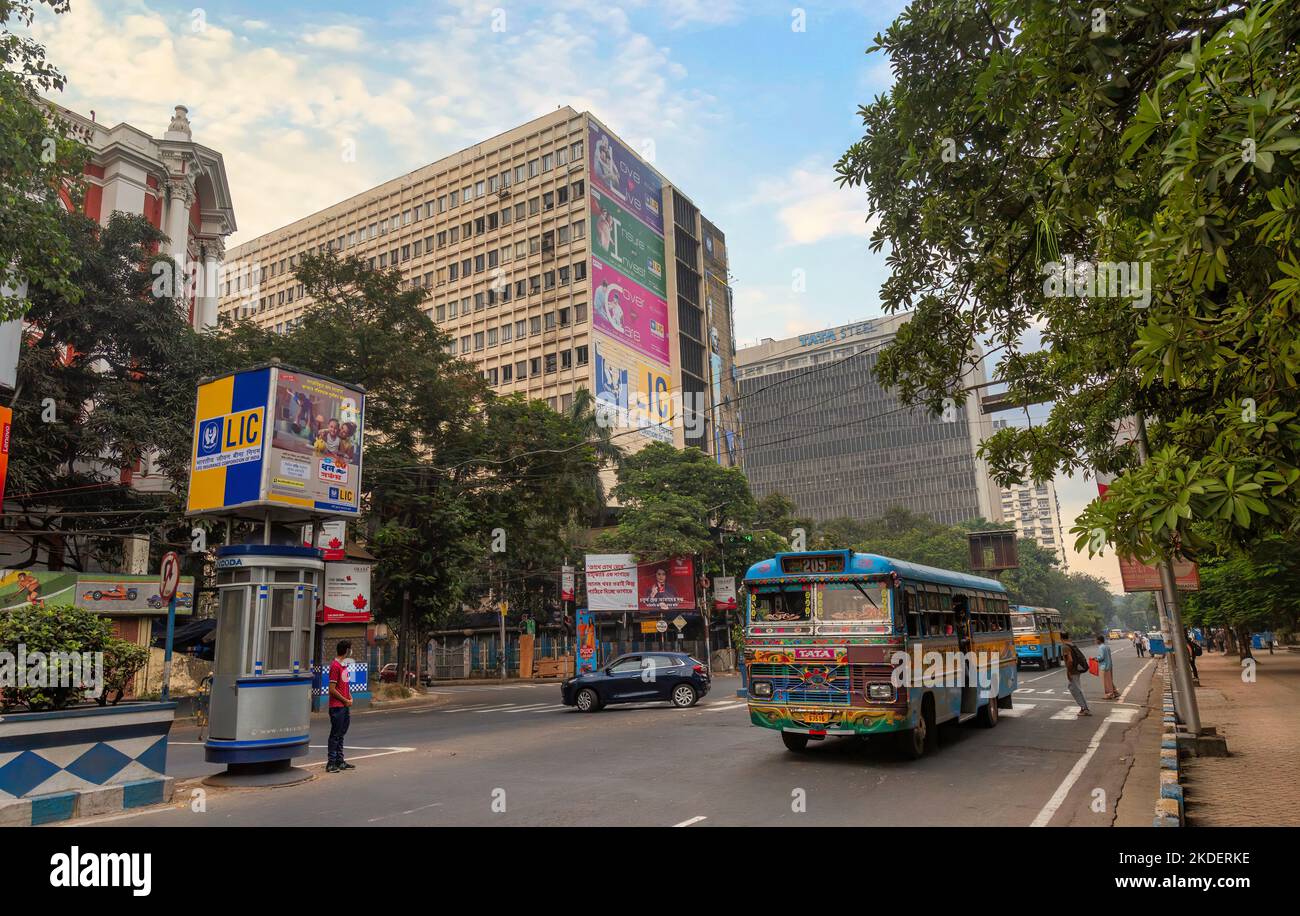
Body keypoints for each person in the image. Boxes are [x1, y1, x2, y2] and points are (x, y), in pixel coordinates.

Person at [327, 640, 355, 773]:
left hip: (344, 705)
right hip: (337, 706)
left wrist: (350, 697)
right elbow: (332, 689)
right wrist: (345, 700)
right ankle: (331, 763)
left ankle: (340, 760)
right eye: (350, 649)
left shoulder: (343, 666)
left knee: (341, 734)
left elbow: (345, 685)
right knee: (335, 734)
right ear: (346, 651)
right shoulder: (335, 666)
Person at [1061, 632, 1091, 717]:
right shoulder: (1071, 644)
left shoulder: (1065, 647)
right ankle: (1084, 707)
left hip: (1073, 670)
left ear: (1060, 638)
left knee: (1076, 689)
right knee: (1075, 688)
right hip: (1077, 669)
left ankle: (1085, 708)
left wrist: (1069, 672)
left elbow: (1070, 660)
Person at [1096, 634, 1119, 700]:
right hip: (1109, 665)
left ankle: (1109, 694)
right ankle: (1115, 692)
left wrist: (1096, 659)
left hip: (1104, 666)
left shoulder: (1101, 647)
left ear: (1099, 640)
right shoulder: (1107, 647)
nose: (1096, 641)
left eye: (1096, 640)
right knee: (1109, 680)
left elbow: (1101, 657)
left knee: (1106, 681)